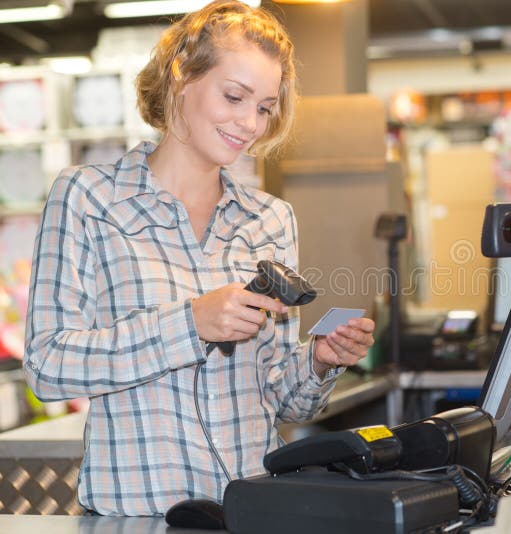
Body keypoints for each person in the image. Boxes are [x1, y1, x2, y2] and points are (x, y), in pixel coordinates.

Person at [23, 0, 374, 516]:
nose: (250, 123)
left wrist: (320, 360)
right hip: (142, 517)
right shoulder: (89, 199)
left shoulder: (270, 219)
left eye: (264, 107)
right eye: (235, 96)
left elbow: (283, 400)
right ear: (181, 77)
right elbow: (49, 364)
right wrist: (191, 323)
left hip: (255, 511)